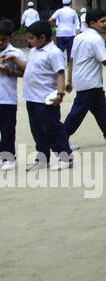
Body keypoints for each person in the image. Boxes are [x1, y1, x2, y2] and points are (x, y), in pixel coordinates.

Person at [62, 8, 106, 148]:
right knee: (78, 112)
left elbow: (71, 59)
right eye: (102, 21)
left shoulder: (79, 37)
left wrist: (69, 80)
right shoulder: (95, 39)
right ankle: (62, 139)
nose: (105, 24)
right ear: (92, 23)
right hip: (89, 82)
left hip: (84, 80)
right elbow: (104, 60)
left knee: (100, 109)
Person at [20, 21, 72, 171]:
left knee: (52, 128)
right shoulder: (35, 50)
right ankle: (42, 158)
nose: (29, 42)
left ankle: (65, 156)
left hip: (45, 99)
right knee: (37, 130)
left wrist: (60, 94)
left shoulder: (53, 53)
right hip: (31, 98)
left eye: (31, 38)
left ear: (42, 37)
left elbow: (60, 74)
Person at [0, 20, 25, 171]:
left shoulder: (16, 53)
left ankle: (7, 158)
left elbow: (25, 73)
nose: (0, 42)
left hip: (7, 98)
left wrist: (9, 71)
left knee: (7, 130)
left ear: (11, 37)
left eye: (3, 39)